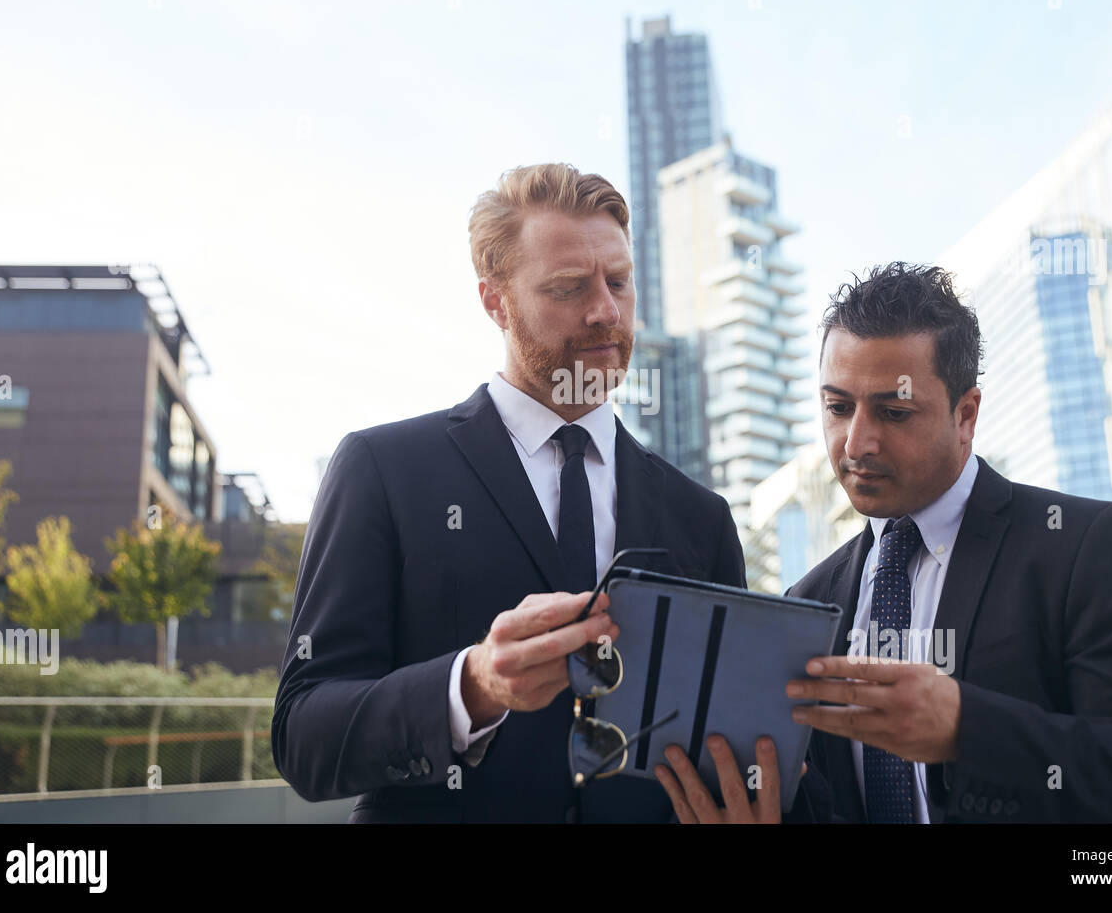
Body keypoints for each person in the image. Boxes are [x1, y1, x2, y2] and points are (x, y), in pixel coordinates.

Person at [271, 162, 763, 822]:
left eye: (619, 282)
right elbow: (304, 737)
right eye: (568, 288)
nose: (605, 311)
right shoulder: (382, 468)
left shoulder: (700, 517)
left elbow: (725, 730)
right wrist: (471, 686)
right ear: (494, 301)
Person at [657, 262, 1112, 823]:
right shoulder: (807, 599)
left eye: (893, 411)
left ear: (966, 414)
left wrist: (965, 728)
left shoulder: (1085, 548)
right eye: (837, 407)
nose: (856, 443)